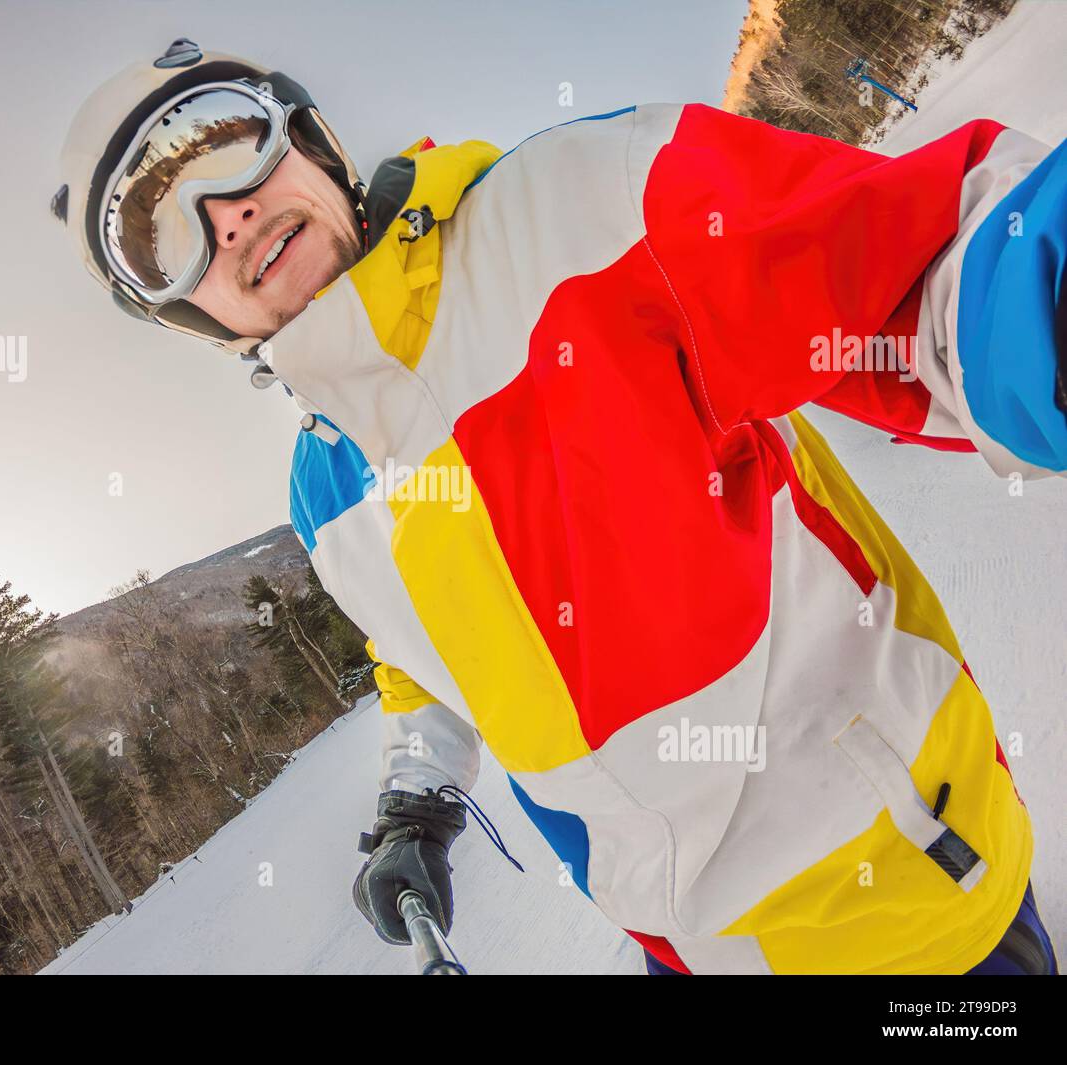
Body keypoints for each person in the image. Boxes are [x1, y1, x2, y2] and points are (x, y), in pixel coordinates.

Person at [53, 37, 1064, 974]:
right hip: (698, 952)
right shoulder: (325, 497)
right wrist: (416, 805)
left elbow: (917, 271)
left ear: (307, 137)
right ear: (185, 313)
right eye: (158, 236)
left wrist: (1037, 302)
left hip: (904, 908)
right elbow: (424, 665)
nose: (223, 216)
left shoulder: (579, 210)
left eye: (225, 140)